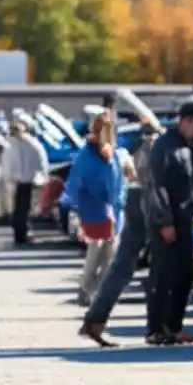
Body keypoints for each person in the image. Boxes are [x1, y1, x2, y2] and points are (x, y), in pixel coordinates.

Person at [78, 116, 161, 347]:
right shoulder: (128, 152)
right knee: (153, 269)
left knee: (119, 265)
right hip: (134, 209)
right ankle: (159, 327)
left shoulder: (115, 151)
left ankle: (94, 318)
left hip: (125, 208)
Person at [144, 101, 193, 345]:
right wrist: (165, 221)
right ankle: (157, 329)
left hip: (184, 221)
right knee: (163, 276)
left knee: (184, 275)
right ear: (185, 121)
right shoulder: (165, 147)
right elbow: (155, 187)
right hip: (167, 224)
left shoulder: (186, 148)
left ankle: (173, 326)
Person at [67, 111, 125, 306]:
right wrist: (80, 207)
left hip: (111, 211)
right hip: (95, 210)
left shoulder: (111, 154)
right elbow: (75, 185)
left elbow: (118, 184)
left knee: (109, 257)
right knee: (96, 255)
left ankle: (95, 291)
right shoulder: (88, 155)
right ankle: (87, 290)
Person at [2, 116, 49, 245]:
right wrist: (42, 176)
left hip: (20, 181)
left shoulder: (12, 145)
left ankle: (20, 233)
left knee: (20, 209)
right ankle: (23, 233)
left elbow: (7, 163)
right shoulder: (31, 144)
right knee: (24, 209)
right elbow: (41, 161)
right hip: (28, 180)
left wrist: (8, 177)